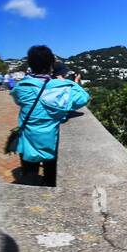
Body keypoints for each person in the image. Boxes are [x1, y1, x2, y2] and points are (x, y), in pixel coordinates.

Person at [11, 45, 90, 187]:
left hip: (28, 142)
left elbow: (17, 99)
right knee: (50, 178)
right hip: (50, 143)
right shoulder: (61, 88)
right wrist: (73, 82)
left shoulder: (22, 87)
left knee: (29, 176)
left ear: (30, 64)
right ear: (51, 65)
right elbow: (83, 98)